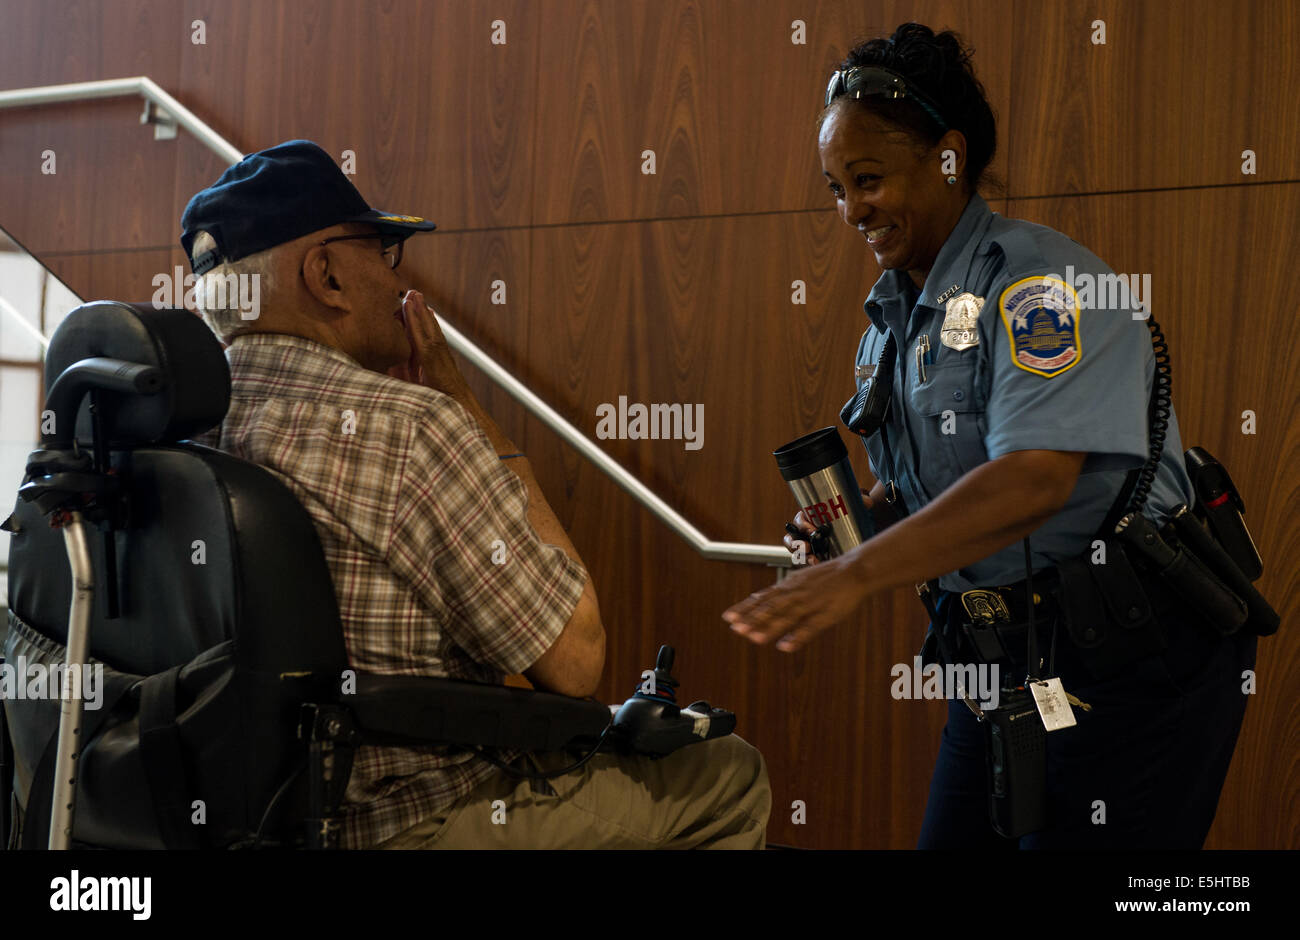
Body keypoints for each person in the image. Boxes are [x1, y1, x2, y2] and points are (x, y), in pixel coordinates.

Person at [722, 24, 1258, 848]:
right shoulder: (892, 322)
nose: (851, 210)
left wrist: (861, 574)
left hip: (1129, 661)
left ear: (947, 158)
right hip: (997, 664)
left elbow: (1034, 479)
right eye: (834, 188)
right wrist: (856, 528)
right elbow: (933, 492)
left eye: (867, 180)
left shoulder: (1039, 286)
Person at [181, 139, 769, 849]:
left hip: (239, 823)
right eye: (381, 250)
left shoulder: (176, 434)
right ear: (326, 273)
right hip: (411, 821)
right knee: (727, 774)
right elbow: (576, 659)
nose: (398, 281)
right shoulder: (411, 428)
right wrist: (466, 406)